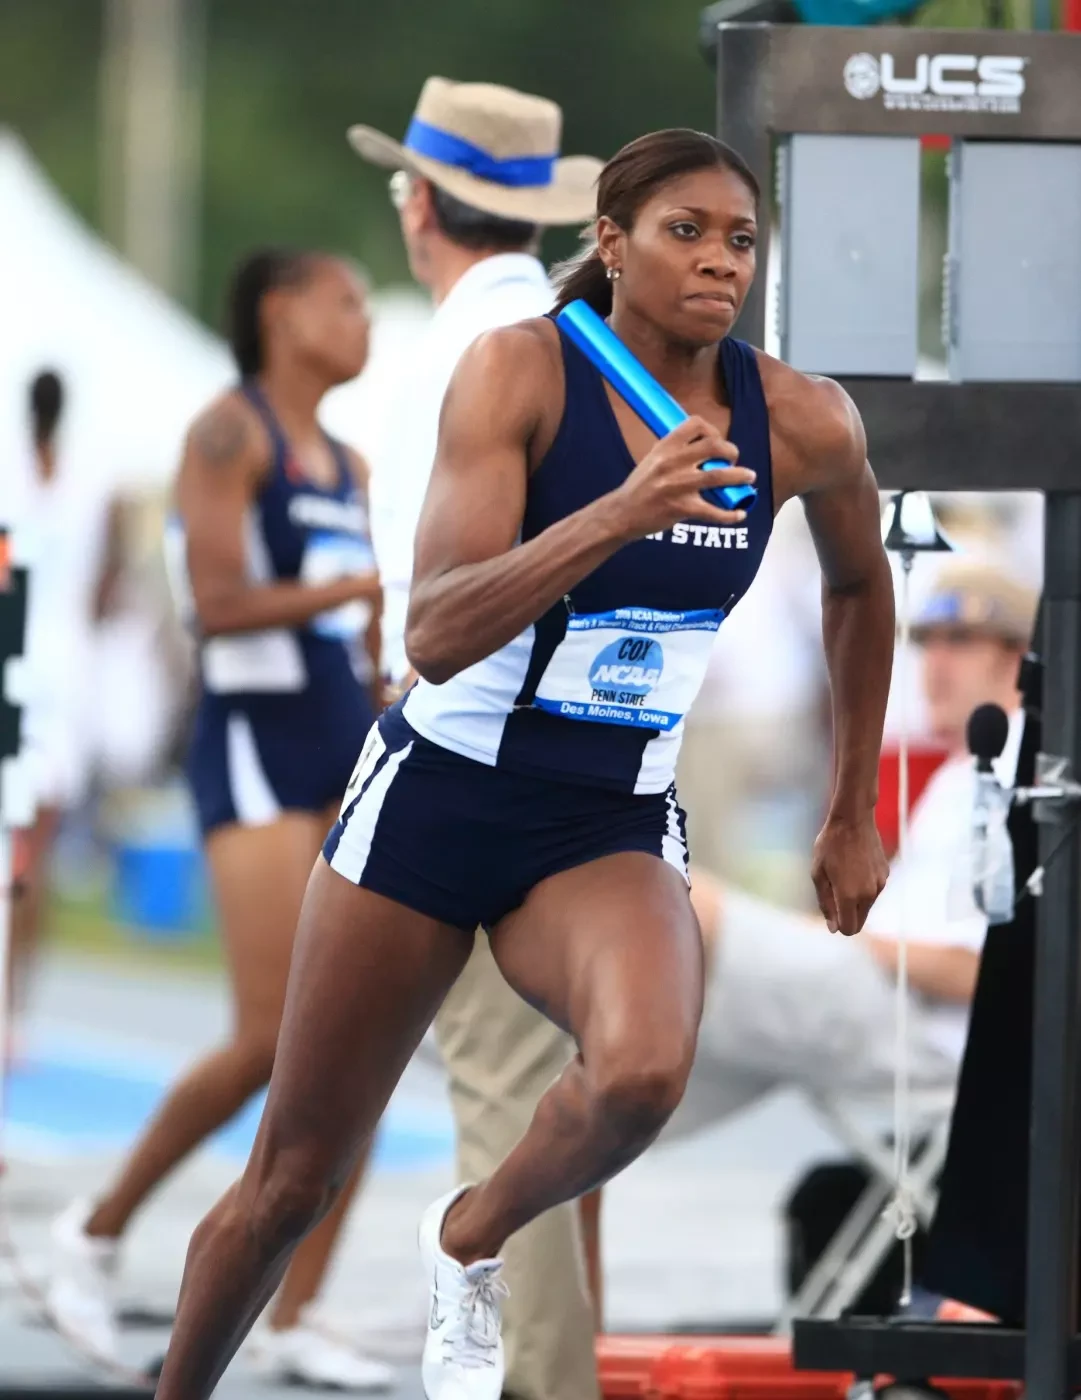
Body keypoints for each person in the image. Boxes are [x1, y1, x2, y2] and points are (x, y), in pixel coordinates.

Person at [152, 126, 895, 1400]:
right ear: (608, 245)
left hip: (602, 816)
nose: (719, 261)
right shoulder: (521, 373)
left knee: (646, 1069)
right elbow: (434, 630)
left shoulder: (803, 417)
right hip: (439, 794)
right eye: (685, 232)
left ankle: (469, 1235)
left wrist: (848, 810)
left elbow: (859, 586)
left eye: (740, 241)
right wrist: (619, 509)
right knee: (292, 1178)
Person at [46, 250, 394, 1392]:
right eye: (346, 299)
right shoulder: (226, 432)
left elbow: (348, 636)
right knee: (264, 1037)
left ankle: (295, 1312)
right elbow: (221, 599)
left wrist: (384, 668)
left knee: (352, 1057)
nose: (363, 320)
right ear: (281, 313)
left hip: (339, 742)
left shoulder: (350, 461)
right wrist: (349, 594)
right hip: (251, 742)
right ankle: (93, 1227)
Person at [355, 76, 603, 1400]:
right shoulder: (567, 333)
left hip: (475, 749)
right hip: (578, 747)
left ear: (419, 205)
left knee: (506, 1100)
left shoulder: (472, 349)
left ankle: (543, 1386)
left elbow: (434, 606)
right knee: (548, 1104)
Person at [10, 370, 123, 1023]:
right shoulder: (94, 490)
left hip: (38, 667)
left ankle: (13, 1006)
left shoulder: (77, 487)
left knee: (24, 848)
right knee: (34, 850)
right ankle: (15, 1008)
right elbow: (109, 592)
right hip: (60, 671)